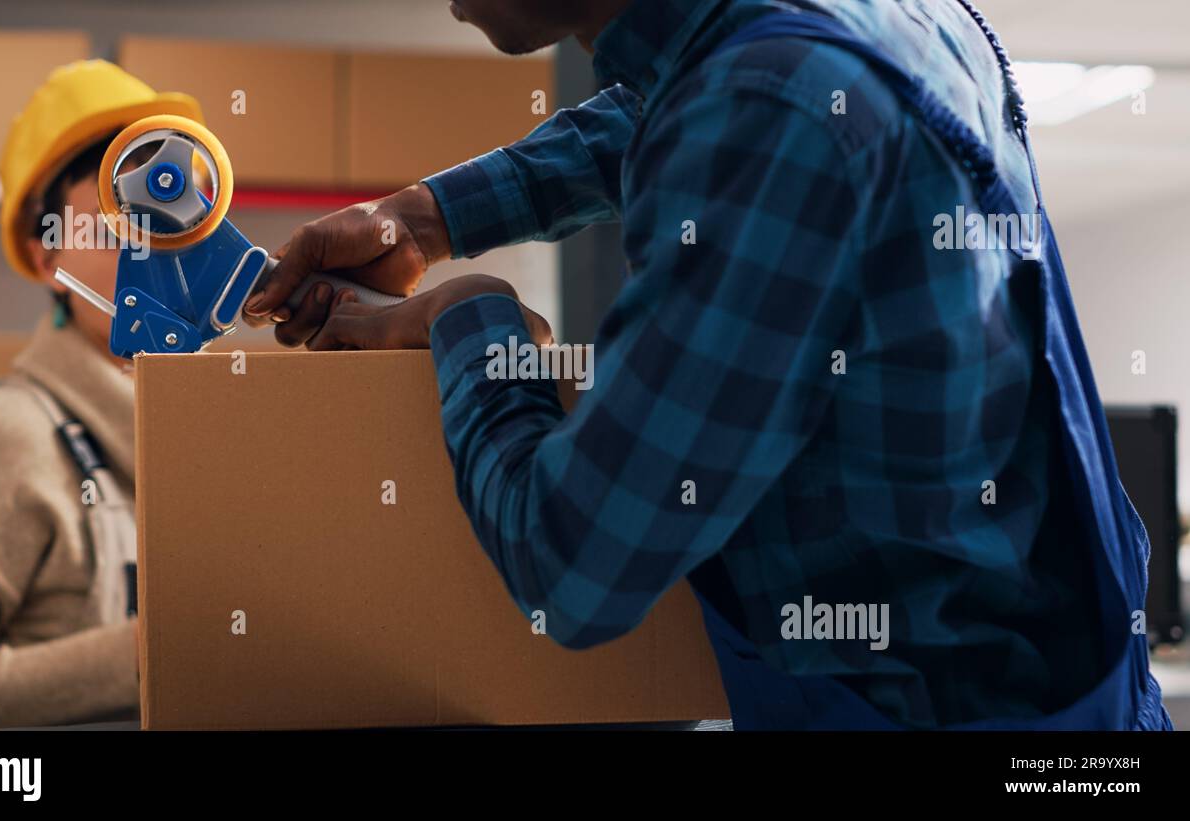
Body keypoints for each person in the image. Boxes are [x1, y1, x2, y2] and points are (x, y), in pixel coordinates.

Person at [246, 0, 1171, 730]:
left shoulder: (774, 109)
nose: (445, 5)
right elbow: (671, 103)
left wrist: (467, 317)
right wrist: (420, 218)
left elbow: (575, 564)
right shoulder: (854, 28)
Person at [0, 60, 202, 729]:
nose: (147, 246)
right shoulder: (4, 433)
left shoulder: (208, 426)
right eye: (110, 222)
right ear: (46, 257)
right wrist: (149, 653)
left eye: (162, 211)